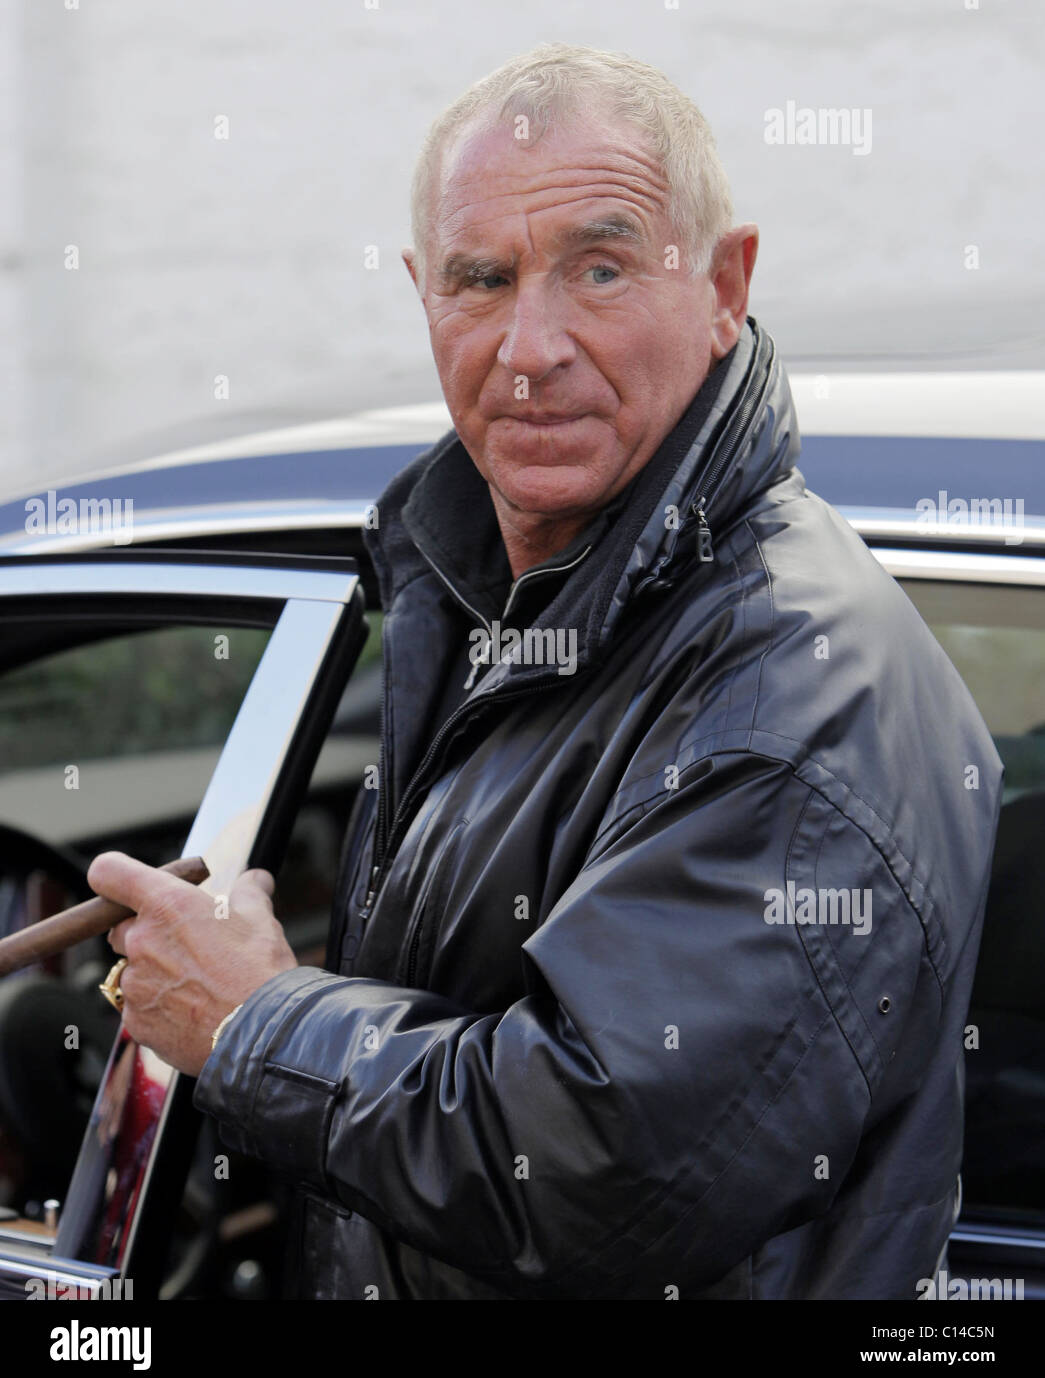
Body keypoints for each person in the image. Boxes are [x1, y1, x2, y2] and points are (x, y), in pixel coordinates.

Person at [89, 43, 1003, 1299]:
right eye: (482, 278)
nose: (530, 346)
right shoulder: (492, 587)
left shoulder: (792, 692)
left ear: (726, 282)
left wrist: (255, 1023)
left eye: (602, 267)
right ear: (424, 294)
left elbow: (597, 1164)